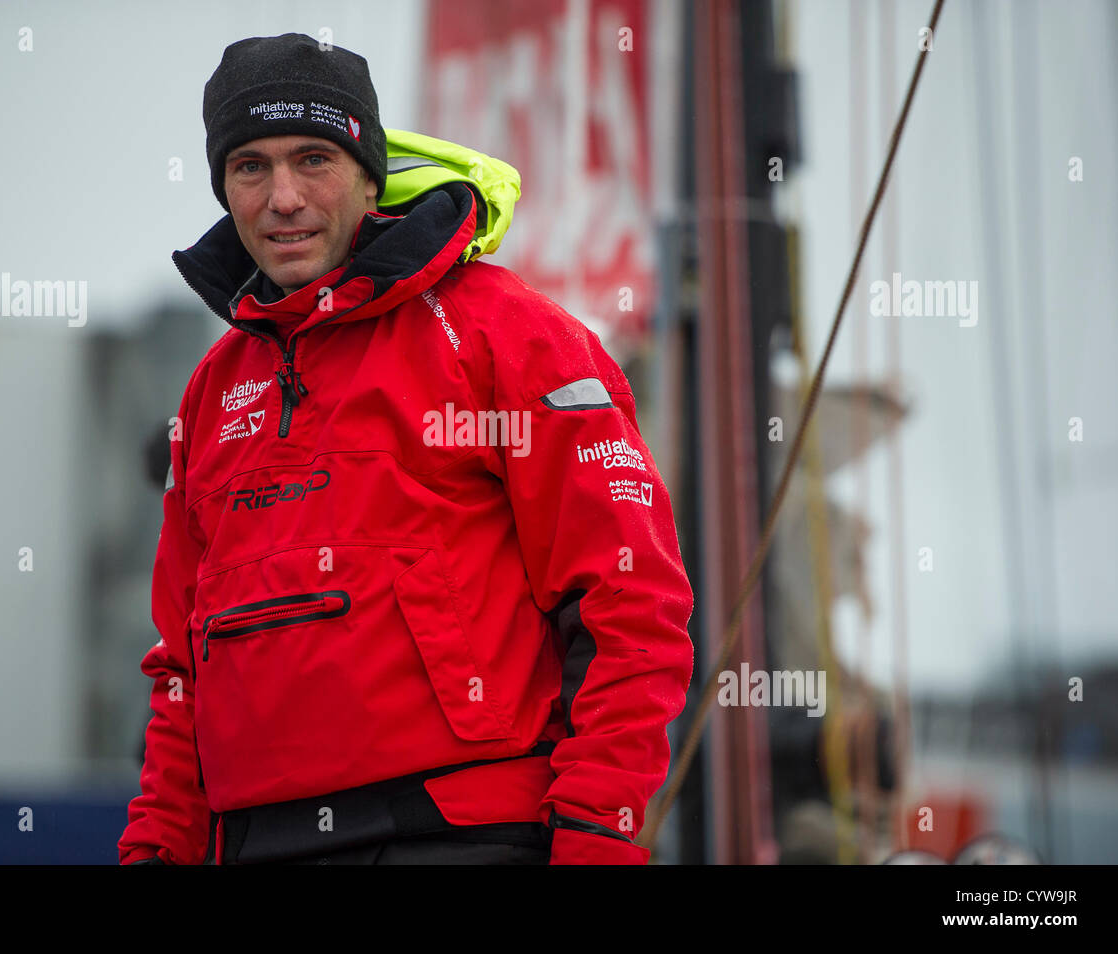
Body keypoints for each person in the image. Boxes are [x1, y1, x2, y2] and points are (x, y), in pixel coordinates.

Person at [118, 32, 694, 865]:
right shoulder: (212, 391)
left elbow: (630, 603)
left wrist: (599, 834)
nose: (283, 197)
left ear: (367, 171)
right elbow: (180, 673)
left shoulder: (509, 335)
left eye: (312, 159)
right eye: (250, 167)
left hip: (463, 835)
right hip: (252, 844)